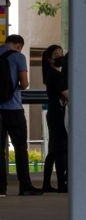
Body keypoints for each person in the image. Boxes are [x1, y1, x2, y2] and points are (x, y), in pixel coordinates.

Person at [0, 34, 38, 196]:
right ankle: (25, 186)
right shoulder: (18, 57)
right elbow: (24, 83)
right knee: (20, 147)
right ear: (18, 45)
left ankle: (1, 188)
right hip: (13, 108)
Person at [41, 44, 69, 192]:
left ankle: (47, 183)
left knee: (53, 150)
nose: (60, 56)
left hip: (54, 113)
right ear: (49, 59)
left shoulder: (52, 74)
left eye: (61, 53)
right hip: (57, 115)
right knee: (60, 149)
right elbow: (67, 95)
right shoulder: (55, 75)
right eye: (56, 54)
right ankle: (61, 184)